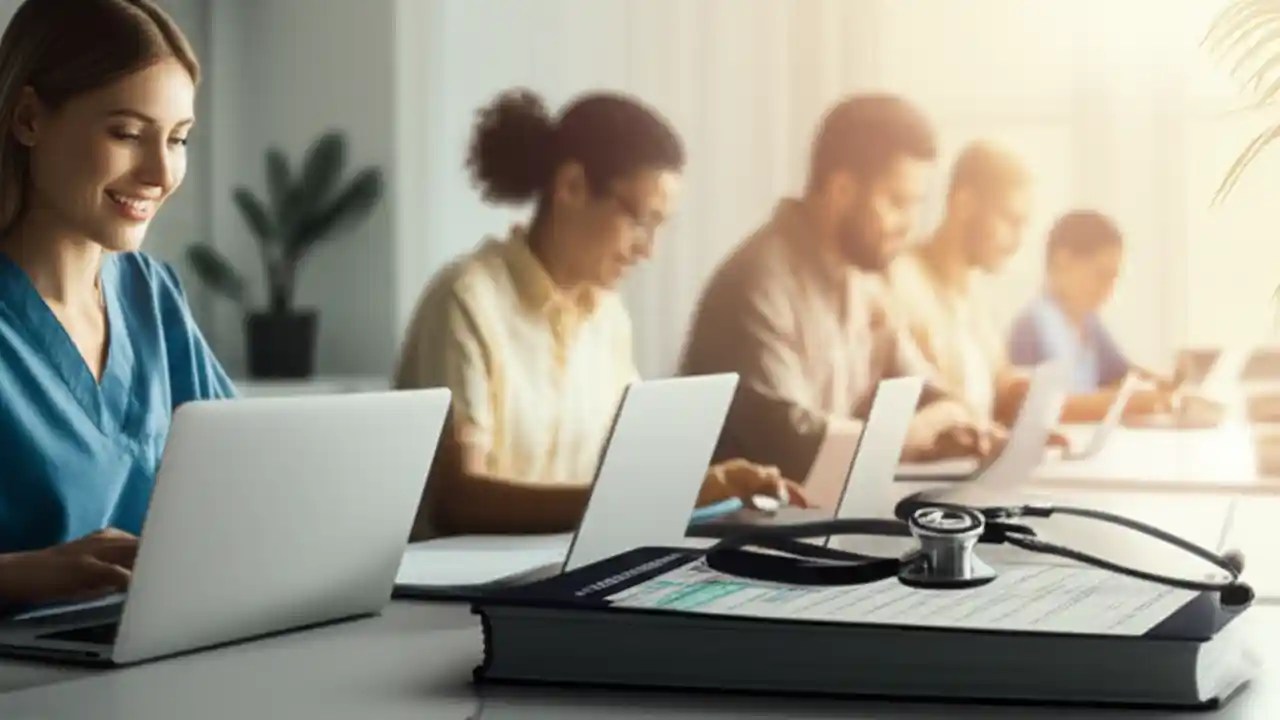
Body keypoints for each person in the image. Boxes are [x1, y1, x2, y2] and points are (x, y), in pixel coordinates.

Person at [394, 88, 808, 538]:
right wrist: (662, 496)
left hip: (563, 567)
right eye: (640, 220)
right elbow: (460, 501)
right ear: (571, 187)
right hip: (459, 588)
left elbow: (630, 469)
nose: (648, 249)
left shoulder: (607, 317)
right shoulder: (469, 299)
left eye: (658, 227)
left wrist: (714, 483)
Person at [0, 0, 234, 607]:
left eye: (178, 139)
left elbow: (246, 481)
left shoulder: (151, 295)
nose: (161, 171)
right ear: (28, 119)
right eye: (128, 134)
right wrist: (24, 574)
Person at [678, 94, 999, 487]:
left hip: (826, 516)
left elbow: (920, 386)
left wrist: (963, 426)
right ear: (842, 189)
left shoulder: (862, 280)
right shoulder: (757, 284)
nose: (909, 226)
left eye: (916, 205)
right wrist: (910, 437)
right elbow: (792, 445)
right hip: (749, 535)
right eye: (897, 203)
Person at [889, 148, 1173, 424]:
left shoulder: (974, 296)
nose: (1018, 241)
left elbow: (1000, 386)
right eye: (1011, 221)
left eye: (1024, 226)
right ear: (964, 204)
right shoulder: (902, 281)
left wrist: (1032, 393)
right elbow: (928, 397)